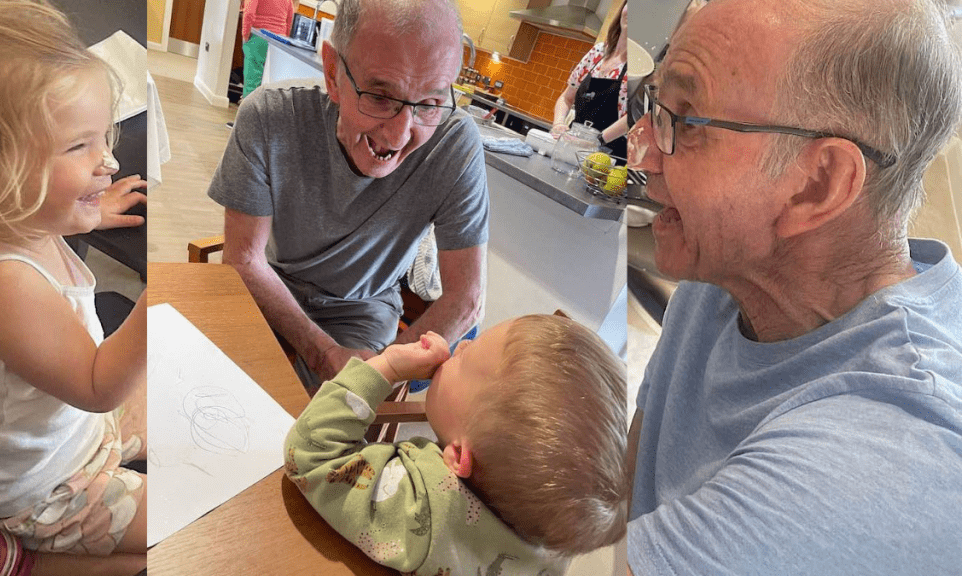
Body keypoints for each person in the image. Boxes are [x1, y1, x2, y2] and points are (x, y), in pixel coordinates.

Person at [624, 0, 962, 574]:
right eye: (655, 102)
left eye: (686, 119)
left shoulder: (890, 450)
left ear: (816, 186)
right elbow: (628, 489)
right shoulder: (726, 281)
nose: (641, 149)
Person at [0, 2, 148, 575]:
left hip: (44, 435)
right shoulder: (2, 284)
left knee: (165, 404)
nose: (107, 160)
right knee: (183, 526)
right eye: (77, 147)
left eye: (103, 137)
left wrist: (80, 207)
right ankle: (27, 564)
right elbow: (97, 386)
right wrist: (159, 309)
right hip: (42, 487)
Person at [209, 0, 488, 391]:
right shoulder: (269, 118)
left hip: (365, 311)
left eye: (430, 104)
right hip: (273, 287)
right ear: (332, 72)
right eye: (378, 97)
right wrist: (322, 352)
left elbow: (466, 299)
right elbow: (244, 260)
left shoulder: (455, 146)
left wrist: (383, 370)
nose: (398, 136)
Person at [285, 314, 628, 575]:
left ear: (459, 458)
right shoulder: (552, 543)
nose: (461, 345)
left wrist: (386, 367)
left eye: (466, 357)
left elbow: (311, 455)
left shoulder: (423, 507)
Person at [551, 0, 628, 158]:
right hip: (570, 150)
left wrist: (597, 140)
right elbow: (567, 98)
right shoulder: (597, 53)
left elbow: (636, 117)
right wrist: (558, 124)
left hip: (606, 160)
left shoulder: (644, 67)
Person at [240, 0, 297, 100]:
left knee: (253, 79)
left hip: (259, 37)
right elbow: (290, 21)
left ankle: (249, 111)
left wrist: (245, 35)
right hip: (279, 42)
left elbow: (249, 13)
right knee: (270, 82)